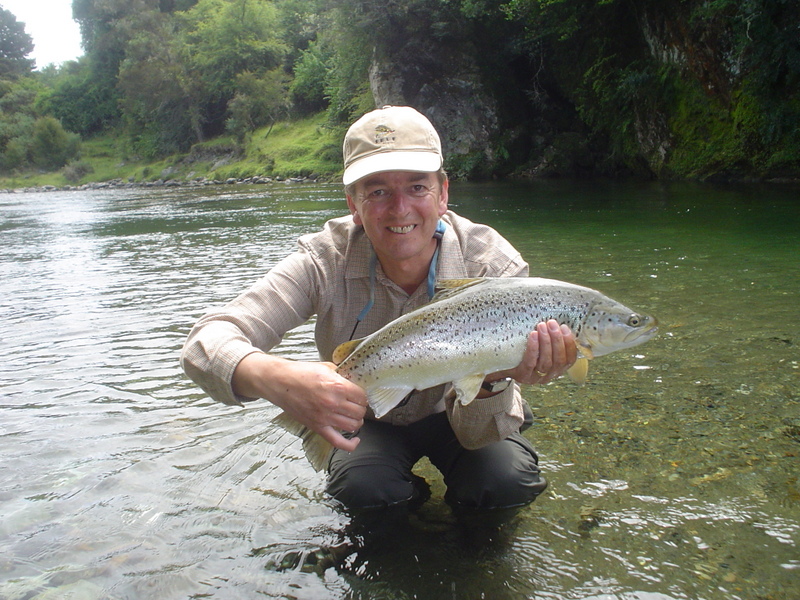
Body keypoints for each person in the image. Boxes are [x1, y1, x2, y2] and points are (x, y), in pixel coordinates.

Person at [181, 105, 577, 515]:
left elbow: (478, 435)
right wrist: (276, 379)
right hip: (368, 417)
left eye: (417, 187)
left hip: (457, 412)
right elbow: (204, 343)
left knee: (502, 483)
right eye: (378, 191)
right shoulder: (322, 260)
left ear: (443, 193)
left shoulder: (494, 268)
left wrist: (496, 378)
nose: (400, 208)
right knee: (368, 494)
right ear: (353, 203)